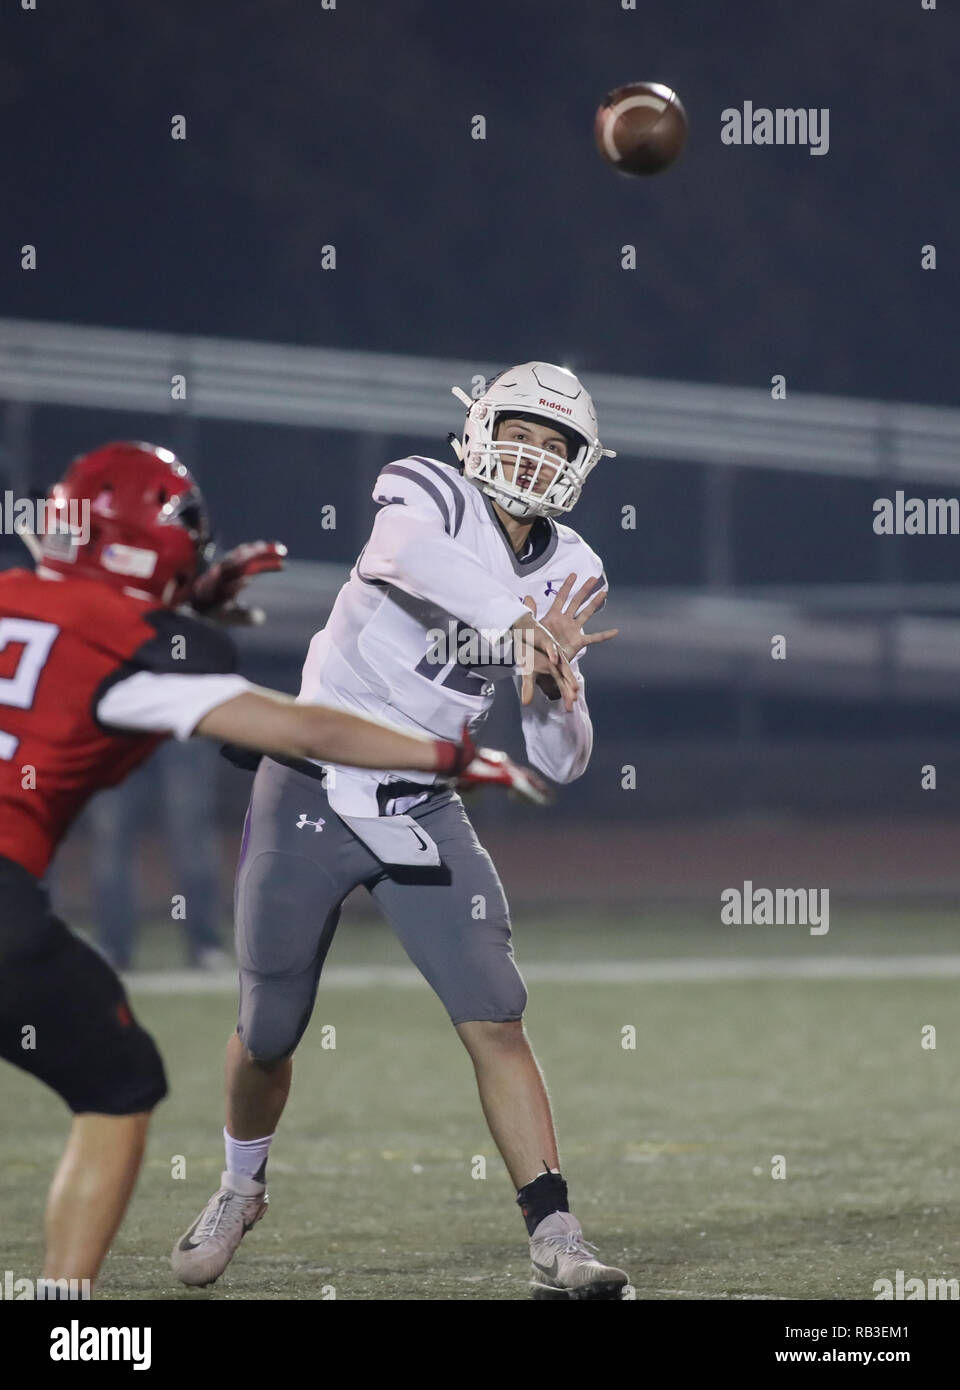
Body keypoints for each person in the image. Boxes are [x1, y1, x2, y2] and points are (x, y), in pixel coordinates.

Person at [0, 440, 538, 1295]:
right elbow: (304, 731)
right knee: (120, 1080)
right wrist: (452, 757)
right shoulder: (135, 643)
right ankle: (66, 1321)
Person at [172, 362, 629, 1300]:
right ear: (478, 427)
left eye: (554, 446)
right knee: (268, 1029)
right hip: (308, 782)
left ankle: (555, 1231)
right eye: (519, 432)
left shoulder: (575, 566)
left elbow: (557, 760)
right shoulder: (427, 489)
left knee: (496, 1014)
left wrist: (557, 690)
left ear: (581, 467)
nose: (532, 457)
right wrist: (515, 626)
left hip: (422, 800)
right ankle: (239, 1185)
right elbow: (401, 554)